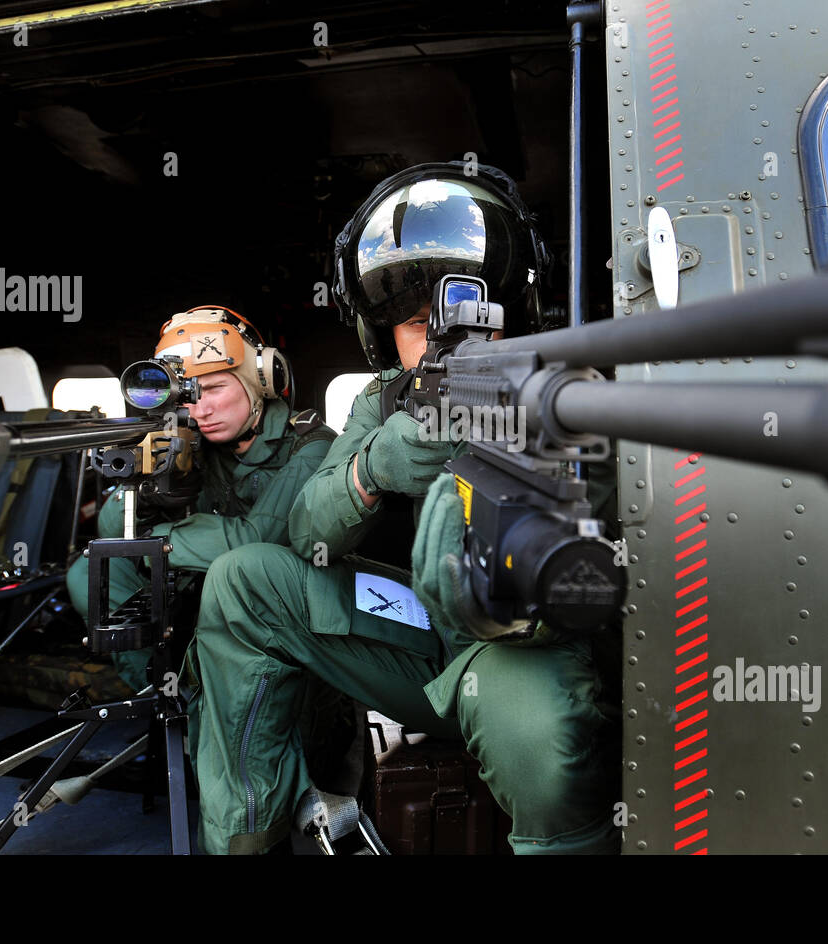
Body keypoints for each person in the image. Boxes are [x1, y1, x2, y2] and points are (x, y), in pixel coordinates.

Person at [190, 163, 621, 854]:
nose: (437, 339)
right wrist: (376, 467)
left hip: (521, 644)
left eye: (452, 320)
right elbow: (309, 530)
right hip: (422, 636)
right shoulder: (385, 401)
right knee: (243, 580)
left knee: (533, 734)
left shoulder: (565, 385)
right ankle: (249, 837)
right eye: (417, 324)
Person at [65, 306, 336, 690]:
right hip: (198, 582)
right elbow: (114, 535)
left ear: (260, 381)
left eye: (214, 388)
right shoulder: (187, 439)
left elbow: (254, 542)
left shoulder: (310, 447)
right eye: (186, 394)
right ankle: (162, 691)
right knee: (91, 572)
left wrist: (157, 542)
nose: (200, 408)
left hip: (278, 602)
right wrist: (143, 487)